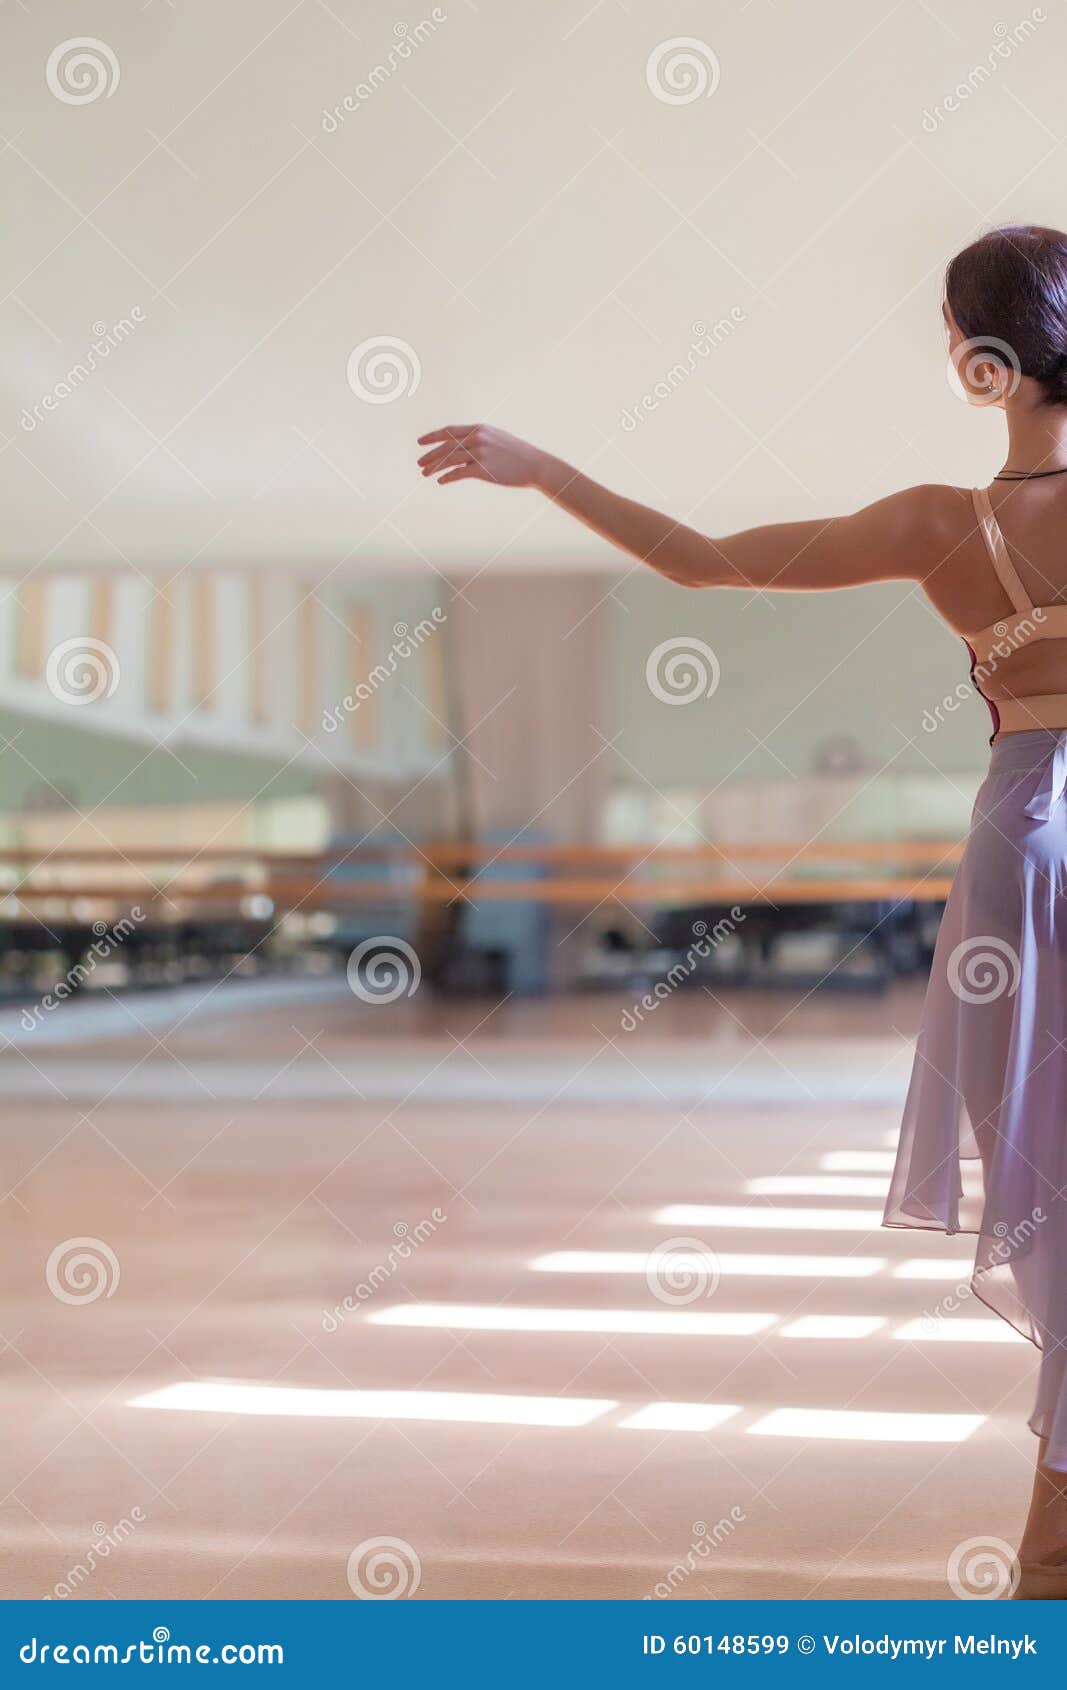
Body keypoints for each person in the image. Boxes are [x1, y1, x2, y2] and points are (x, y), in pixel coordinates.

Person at [418, 225, 1067, 1600]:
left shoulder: (941, 526)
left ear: (974, 357)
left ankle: (1051, 1563)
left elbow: (708, 561)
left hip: (1030, 850)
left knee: (1052, 1187)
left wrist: (544, 470)